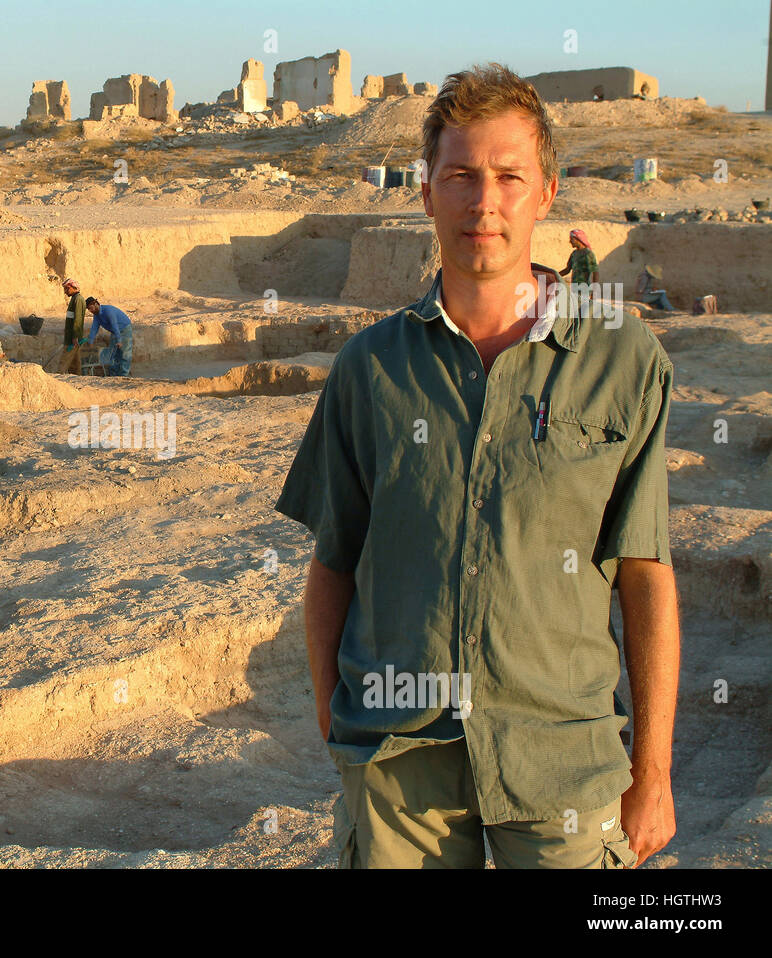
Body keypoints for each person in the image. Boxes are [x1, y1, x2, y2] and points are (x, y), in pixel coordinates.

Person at [276, 63, 678, 869]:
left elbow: (644, 572)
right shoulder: (369, 367)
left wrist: (654, 772)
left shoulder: (621, 358)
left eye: (506, 176)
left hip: (562, 754)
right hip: (399, 761)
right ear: (426, 192)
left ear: (547, 191)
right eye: (459, 175)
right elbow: (333, 563)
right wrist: (333, 716)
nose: (483, 201)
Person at [84, 297, 133, 376]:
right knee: (113, 353)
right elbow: (94, 328)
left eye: (90, 308)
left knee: (125, 353)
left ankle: (124, 375)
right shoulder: (96, 316)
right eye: (88, 309)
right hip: (114, 332)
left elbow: (114, 325)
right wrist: (91, 341)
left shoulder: (108, 311)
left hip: (124, 329)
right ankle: (114, 375)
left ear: (96, 304)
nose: (90, 311)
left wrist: (119, 340)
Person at [558, 228, 599, 317]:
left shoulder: (588, 254)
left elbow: (595, 273)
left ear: (578, 239)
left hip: (584, 289)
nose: (570, 241)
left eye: (571, 239)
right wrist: (554, 275)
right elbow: (567, 270)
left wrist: (594, 292)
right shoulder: (574, 254)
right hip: (574, 289)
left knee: (582, 314)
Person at [61, 278, 86, 374]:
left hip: (72, 339)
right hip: (71, 337)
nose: (65, 292)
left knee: (63, 362)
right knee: (74, 365)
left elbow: (78, 320)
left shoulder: (78, 299)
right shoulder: (74, 299)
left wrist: (75, 337)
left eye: (67, 289)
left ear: (73, 287)